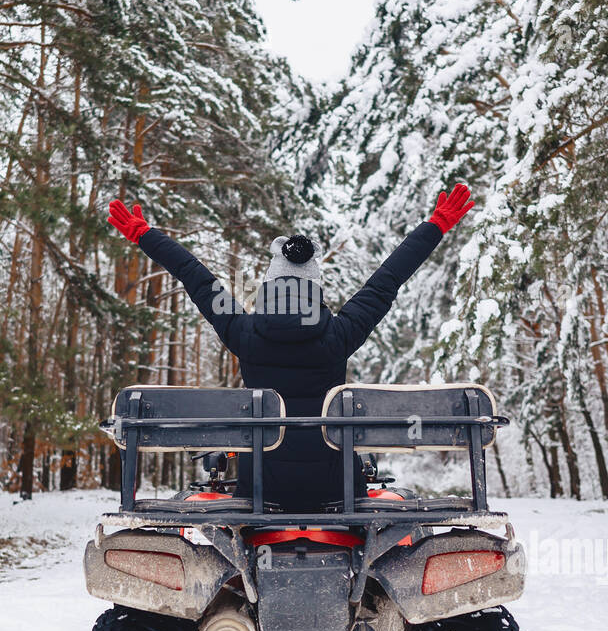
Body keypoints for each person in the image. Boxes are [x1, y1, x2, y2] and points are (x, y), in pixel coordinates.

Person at [106, 183, 475, 511]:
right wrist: (435, 226)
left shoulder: (242, 331)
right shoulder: (340, 334)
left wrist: (144, 234)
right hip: (337, 491)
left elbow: (194, 275)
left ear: (269, 286)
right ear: (314, 288)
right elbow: (387, 280)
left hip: (260, 493)